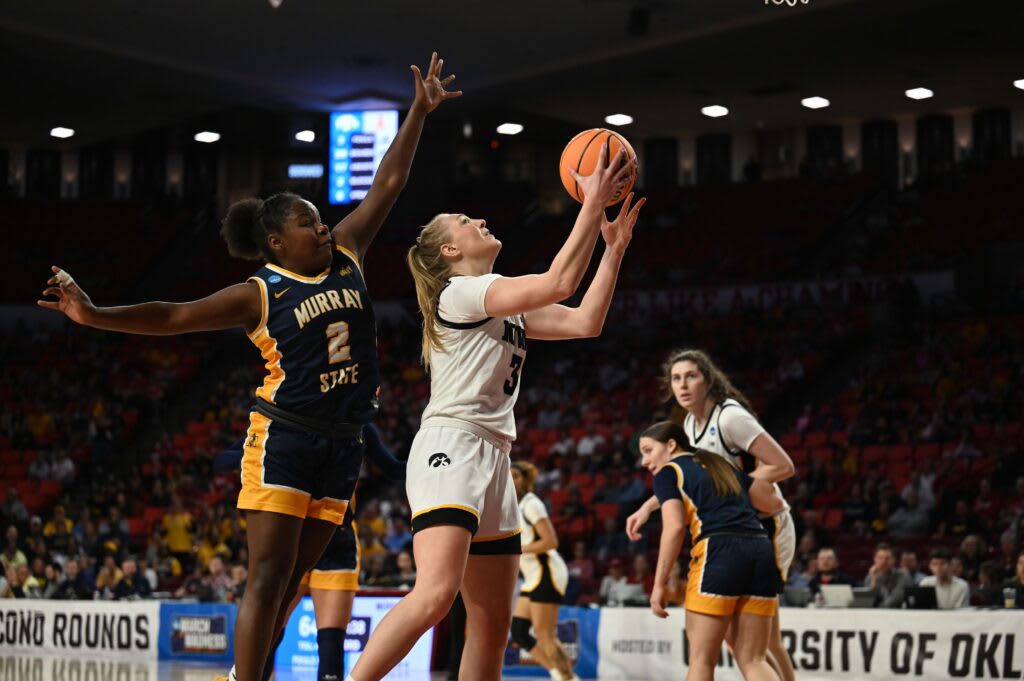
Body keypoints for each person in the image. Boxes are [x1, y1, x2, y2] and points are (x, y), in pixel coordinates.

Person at [38, 51, 459, 681]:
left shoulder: (348, 253)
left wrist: (419, 113)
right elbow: (175, 317)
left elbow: (388, 184)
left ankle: (248, 674)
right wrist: (95, 315)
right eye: (308, 224)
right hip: (285, 435)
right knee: (265, 577)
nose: (321, 228)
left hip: (343, 443)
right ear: (275, 242)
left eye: (320, 220)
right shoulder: (258, 291)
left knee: (292, 582)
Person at [348, 142, 643, 681]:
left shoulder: (500, 304)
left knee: (491, 625)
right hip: (451, 447)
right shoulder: (458, 294)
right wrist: (589, 203)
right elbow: (558, 282)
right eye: (463, 221)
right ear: (449, 254)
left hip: (494, 457)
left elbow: (584, 322)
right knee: (436, 594)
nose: (478, 219)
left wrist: (613, 249)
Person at [627, 349, 796, 681]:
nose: (683, 385)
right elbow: (696, 480)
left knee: (757, 646)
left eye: (691, 376)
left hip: (767, 524)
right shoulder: (690, 424)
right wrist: (648, 507)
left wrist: (736, 490)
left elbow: (783, 466)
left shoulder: (729, 418)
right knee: (754, 648)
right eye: (676, 378)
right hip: (746, 527)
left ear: (709, 379)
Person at [218, 422, 406, 681]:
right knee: (269, 632)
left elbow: (394, 469)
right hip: (290, 536)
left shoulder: (359, 423)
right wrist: (261, 450)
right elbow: (221, 461)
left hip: (337, 542)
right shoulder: (285, 417)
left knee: (330, 645)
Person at [639, 421, 784, 681]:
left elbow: (673, 529)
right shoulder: (720, 464)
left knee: (702, 661)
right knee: (753, 659)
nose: (644, 461)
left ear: (671, 445)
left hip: (718, 551)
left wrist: (659, 584)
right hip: (760, 549)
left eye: (648, 450)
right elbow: (772, 504)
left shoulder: (668, 473)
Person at [509, 461, 578, 681]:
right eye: (508, 475)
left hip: (547, 570)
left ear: (526, 480)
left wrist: (516, 549)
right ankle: (558, 673)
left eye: (516, 476)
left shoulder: (531, 503)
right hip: (533, 575)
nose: (511, 479)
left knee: (544, 634)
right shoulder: (510, 506)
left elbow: (551, 541)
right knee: (519, 631)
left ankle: (568, 678)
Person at [863, 543, 912, 608]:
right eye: (880, 558)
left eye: (887, 558)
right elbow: (867, 603)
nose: (883, 561)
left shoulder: (902, 575)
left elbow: (893, 602)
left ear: (894, 560)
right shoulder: (870, 577)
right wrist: (874, 580)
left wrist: (879, 582)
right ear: (874, 559)